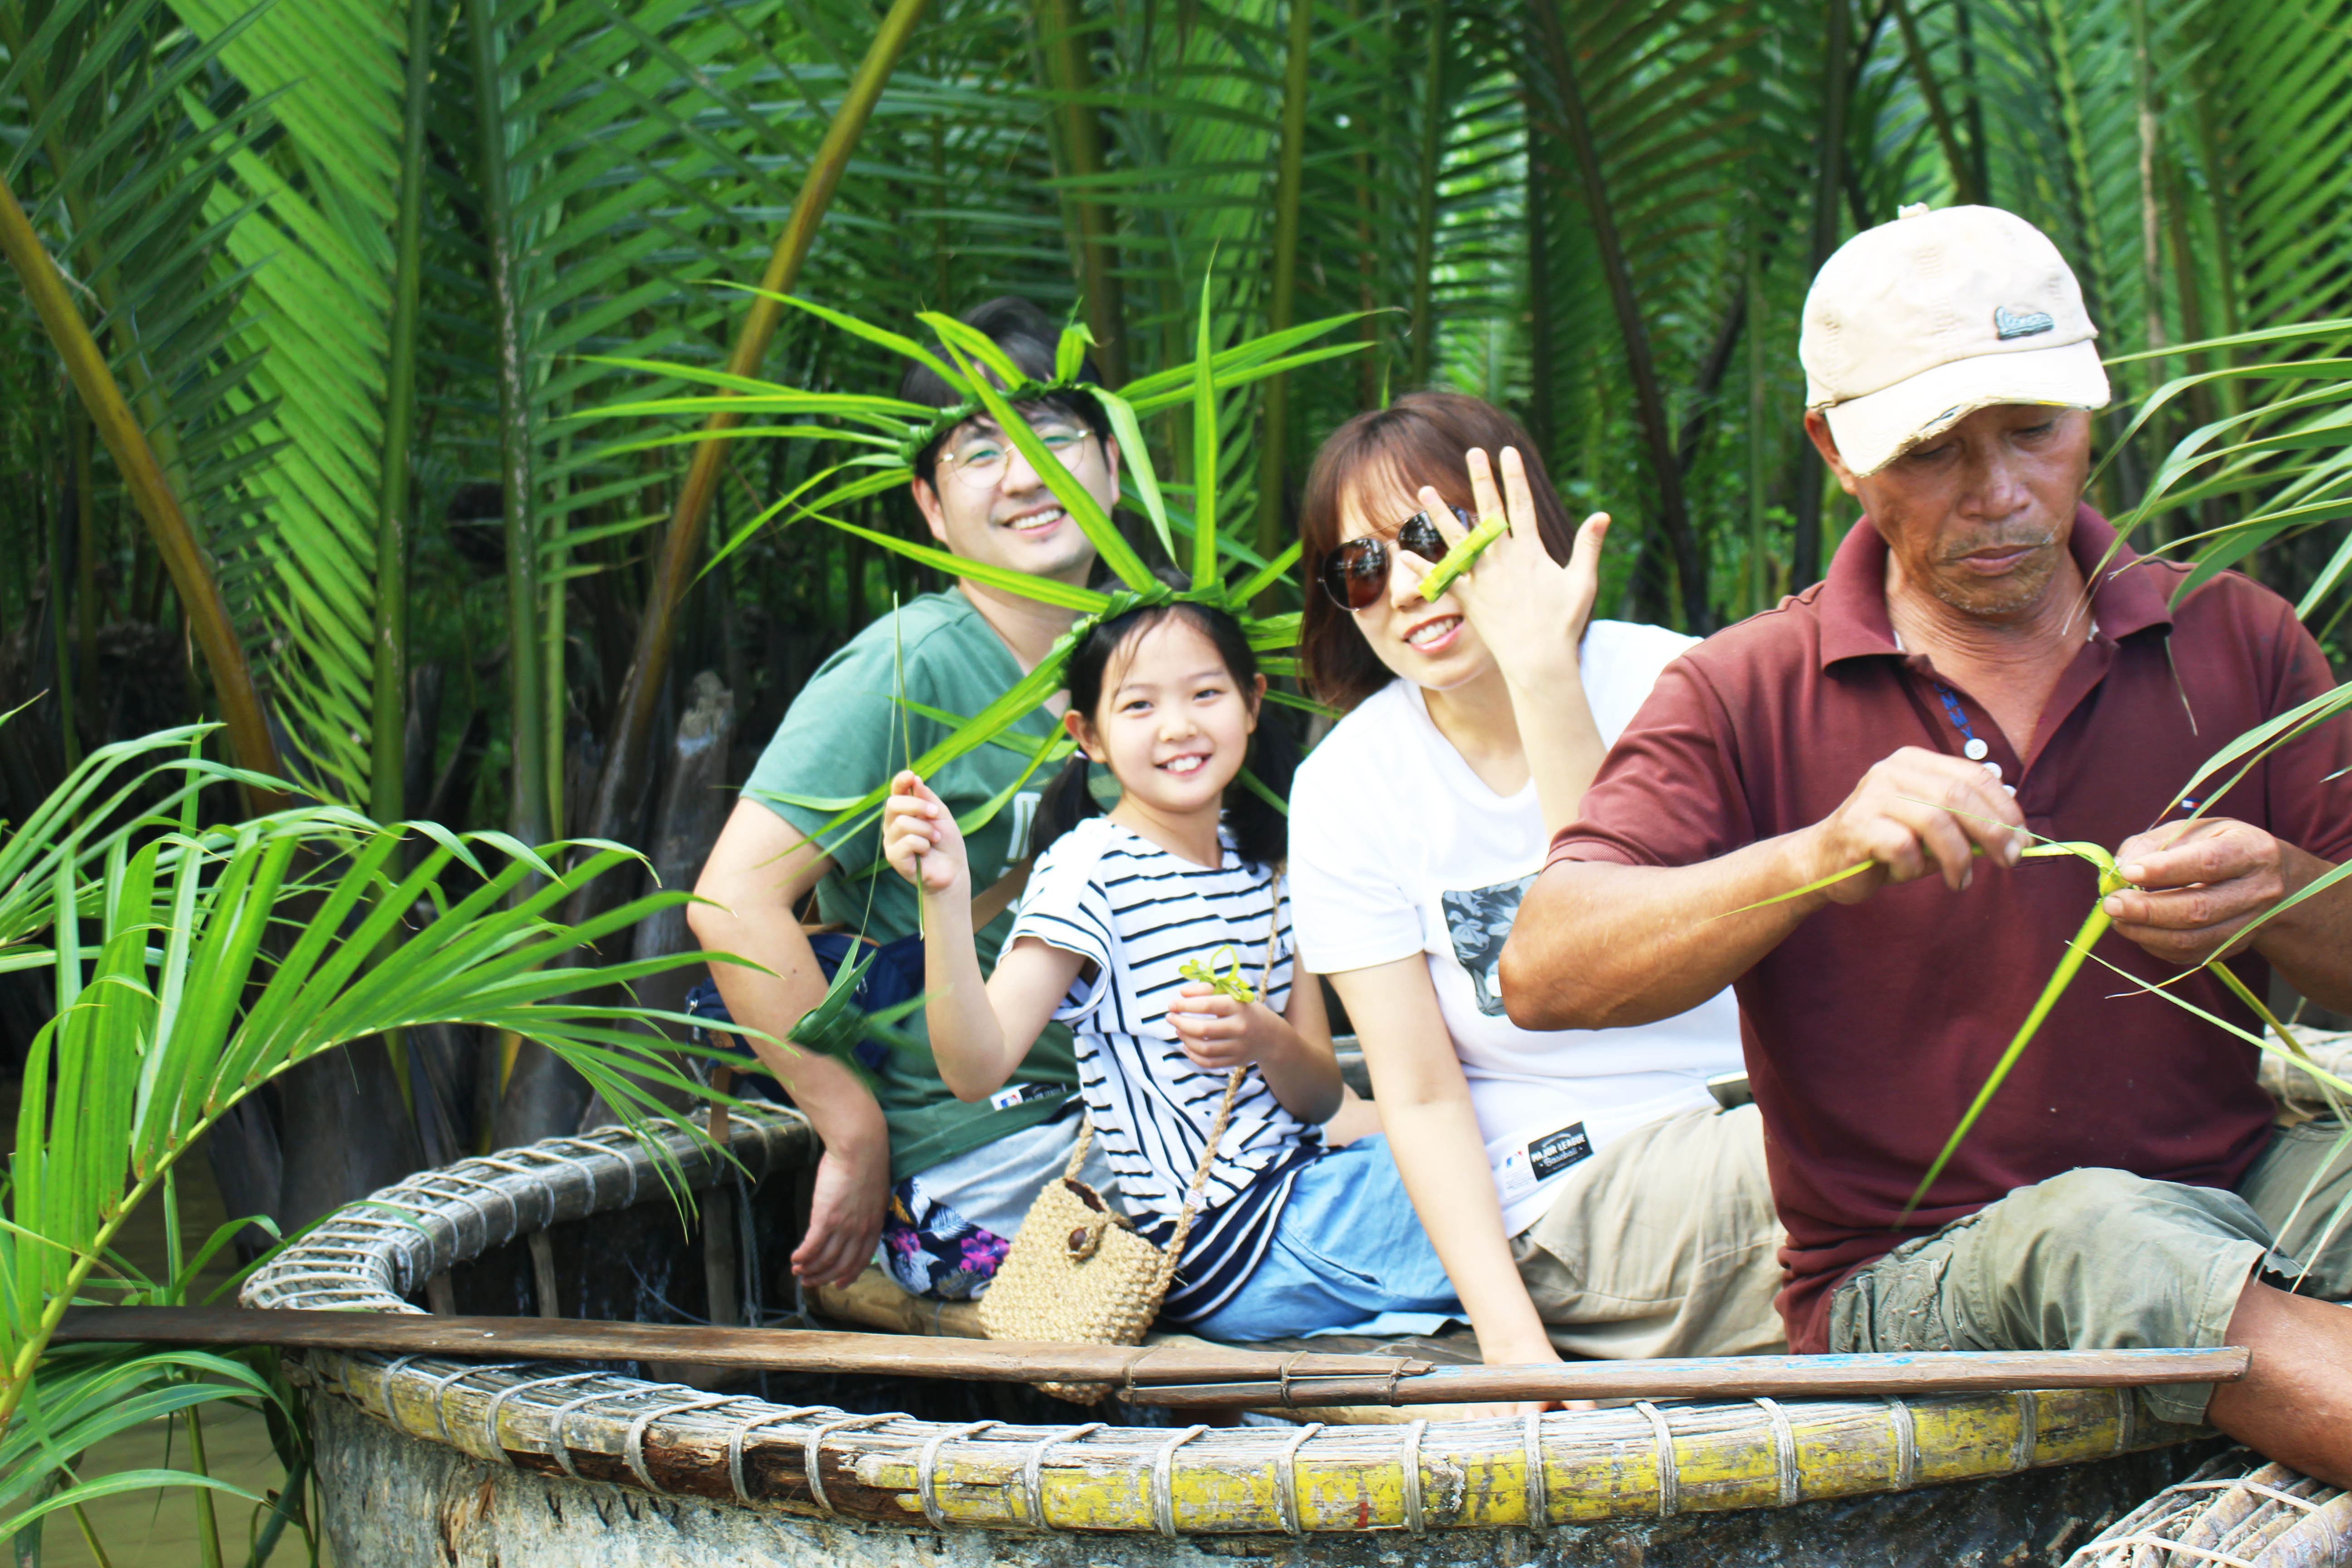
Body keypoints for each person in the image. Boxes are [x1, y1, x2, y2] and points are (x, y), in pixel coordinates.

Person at [1504, 204, 2352, 1482]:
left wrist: (2282, 896)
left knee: (2164, 1223)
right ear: (1834, 449)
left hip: (2240, 1188)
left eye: (2035, 432)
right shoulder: (1745, 689)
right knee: (2099, 1234)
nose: (2001, 494)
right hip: (1901, 1288)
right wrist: (1817, 853)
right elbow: (1545, 970)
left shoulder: (2235, 636)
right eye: (1934, 451)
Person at [1287, 392, 1784, 1403]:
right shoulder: (1347, 786)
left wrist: (1543, 669)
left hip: (1776, 1108)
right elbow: (1420, 1095)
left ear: (1516, 528)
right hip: (1584, 1188)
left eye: (1433, 535)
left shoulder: (1672, 678)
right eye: (1363, 565)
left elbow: (1657, 934)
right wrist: (1514, 1349)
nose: (1411, 584)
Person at [687, 297, 1122, 1300]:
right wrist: (850, 1127)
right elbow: (732, 900)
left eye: (1051, 437)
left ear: (1108, 457)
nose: (1024, 476)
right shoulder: (909, 665)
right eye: (979, 454)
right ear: (930, 506)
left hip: (1137, 1119)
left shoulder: (1148, 652)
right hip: (988, 1147)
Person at [882, 589, 1460, 1338]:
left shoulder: (1273, 868)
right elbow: (975, 1068)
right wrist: (947, 900)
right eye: (1139, 707)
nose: (1179, 727)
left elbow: (1318, 1096)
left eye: (1206, 693)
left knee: (1493, 1151)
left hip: (1306, 1198)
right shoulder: (1089, 870)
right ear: (1087, 735)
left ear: (1251, 704)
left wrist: (1265, 1040)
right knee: (1486, 1192)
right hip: (1221, 1243)